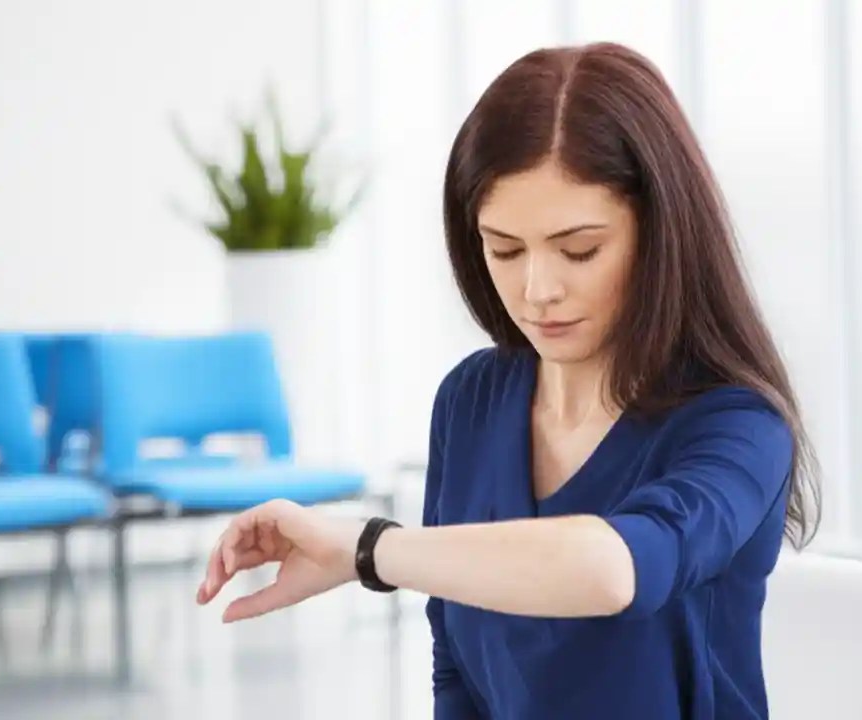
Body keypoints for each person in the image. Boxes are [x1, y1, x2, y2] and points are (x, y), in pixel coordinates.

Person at [197, 41, 820, 719]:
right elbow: (457, 667)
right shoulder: (472, 400)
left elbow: (612, 570)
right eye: (505, 249)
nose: (537, 290)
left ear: (660, 232)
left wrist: (368, 549)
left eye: (579, 250)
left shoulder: (737, 426)